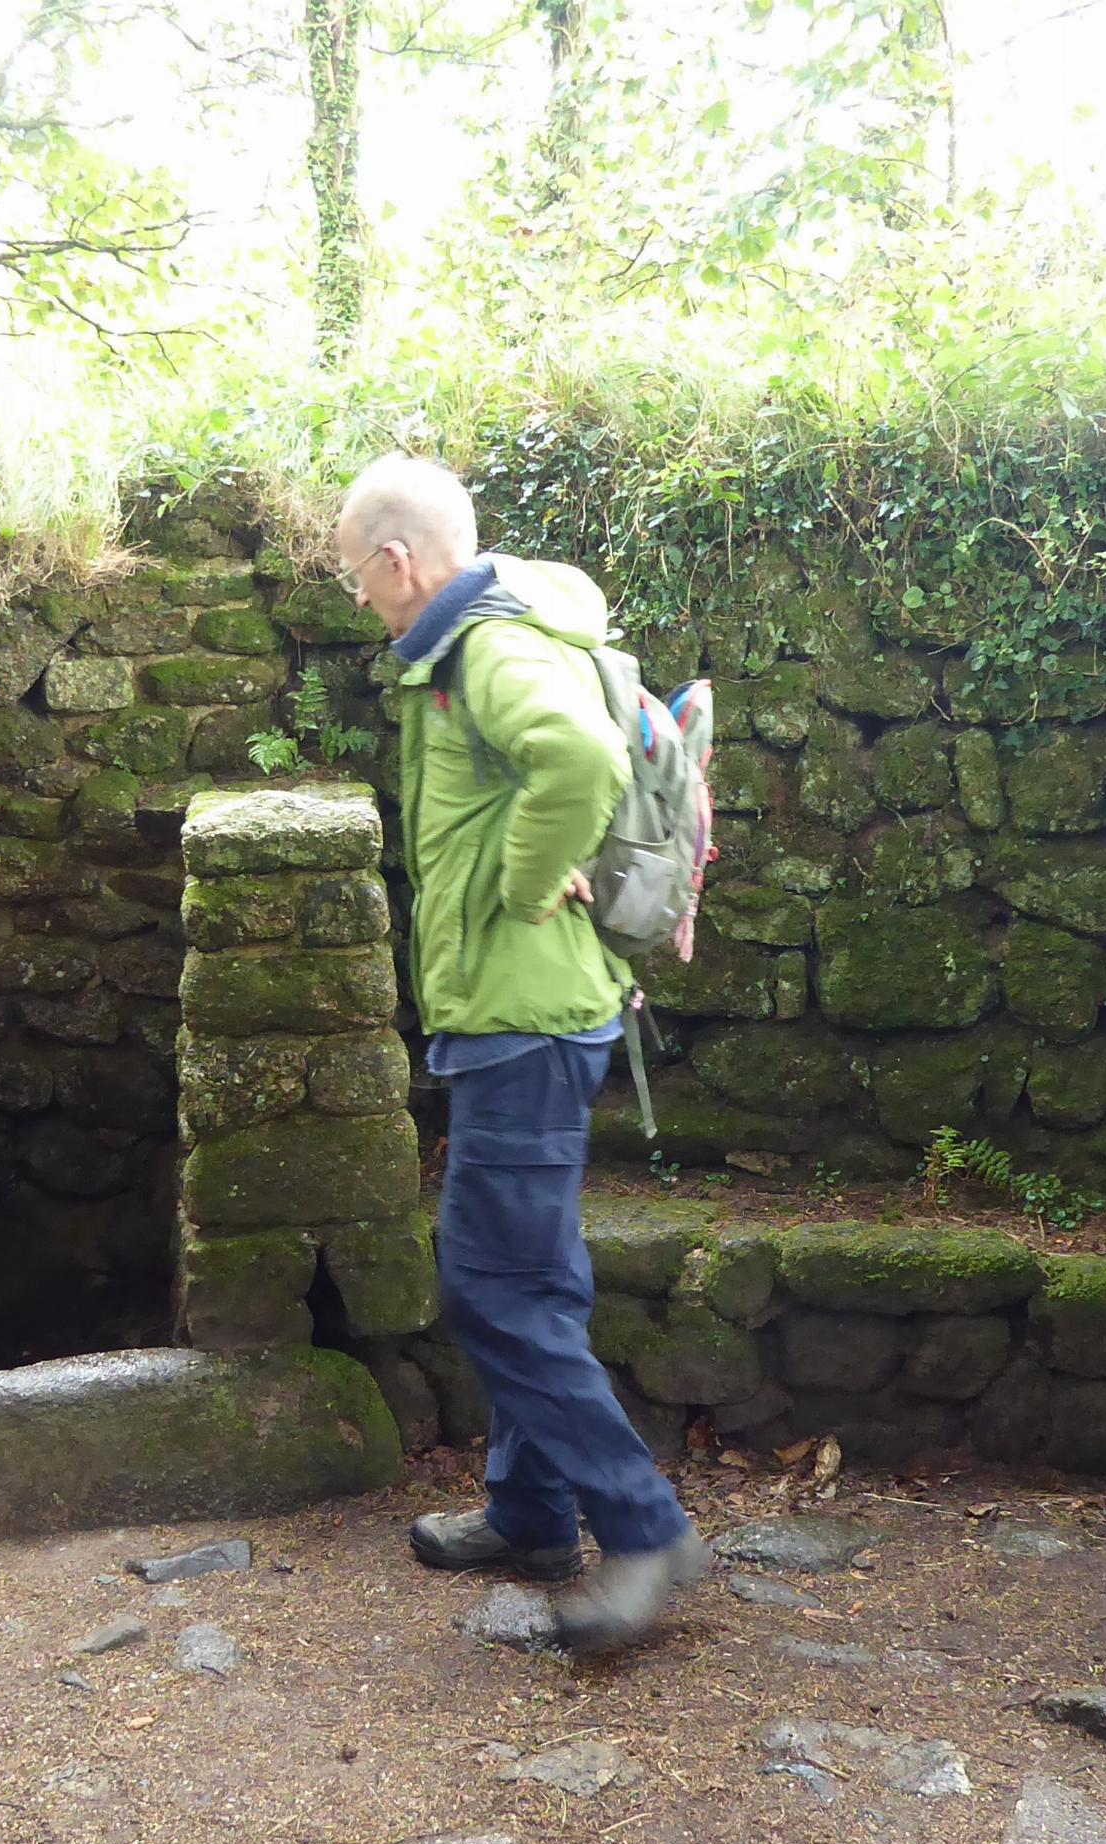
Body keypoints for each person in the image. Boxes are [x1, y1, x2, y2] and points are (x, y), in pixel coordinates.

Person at [333, 453, 708, 1654]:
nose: (363, 602)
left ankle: (642, 1529)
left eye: (358, 581)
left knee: (491, 1286)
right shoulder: (501, 634)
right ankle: (533, 1516)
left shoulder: (488, 648)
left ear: (400, 561)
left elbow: (581, 763)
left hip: (523, 1017)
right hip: (533, 1009)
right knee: (533, 1277)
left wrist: (525, 877)